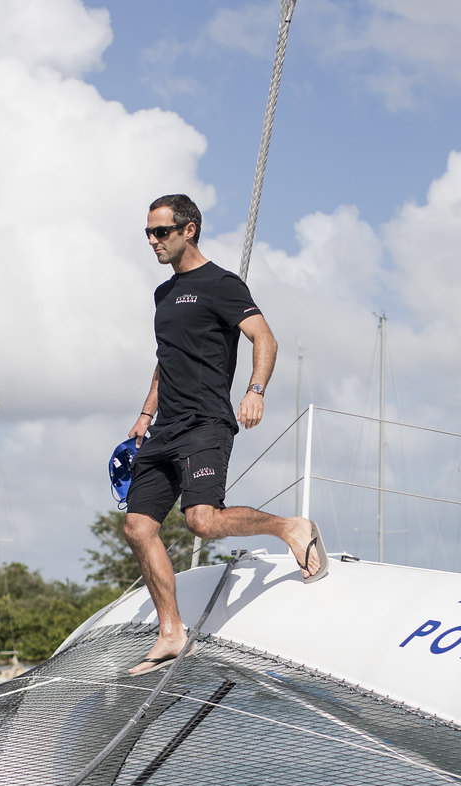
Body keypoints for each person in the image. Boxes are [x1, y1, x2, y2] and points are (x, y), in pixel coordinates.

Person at [122, 193, 326, 676]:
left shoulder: (221, 284)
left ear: (188, 229)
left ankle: (289, 527)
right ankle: (171, 631)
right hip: (165, 428)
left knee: (202, 521)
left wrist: (255, 390)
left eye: (161, 232)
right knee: (137, 527)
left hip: (205, 422)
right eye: (148, 233)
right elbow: (165, 359)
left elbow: (264, 338)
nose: (152, 241)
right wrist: (145, 414)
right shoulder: (163, 294)